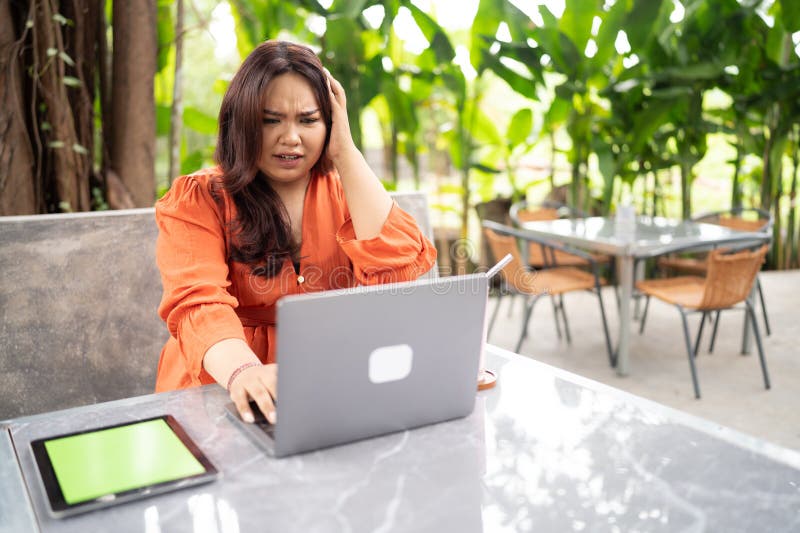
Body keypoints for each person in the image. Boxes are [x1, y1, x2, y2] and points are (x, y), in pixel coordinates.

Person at [154, 40, 437, 425]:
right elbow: (198, 304)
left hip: (328, 387)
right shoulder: (199, 199)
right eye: (271, 120)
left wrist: (346, 152)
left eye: (308, 120)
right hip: (219, 387)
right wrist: (243, 372)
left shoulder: (349, 191)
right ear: (242, 121)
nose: (291, 137)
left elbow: (398, 276)